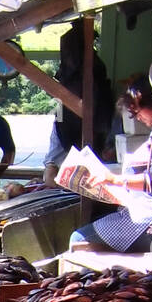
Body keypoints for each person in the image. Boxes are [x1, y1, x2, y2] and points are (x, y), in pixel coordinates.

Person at [67, 74, 152, 253]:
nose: (137, 118)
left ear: (150, 102)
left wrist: (114, 180)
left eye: (137, 112)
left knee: (79, 238)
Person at [42, 22, 115, 187]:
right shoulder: (61, 120)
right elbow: (51, 168)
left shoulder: (96, 77)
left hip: (100, 167)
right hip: (71, 137)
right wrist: (51, 172)